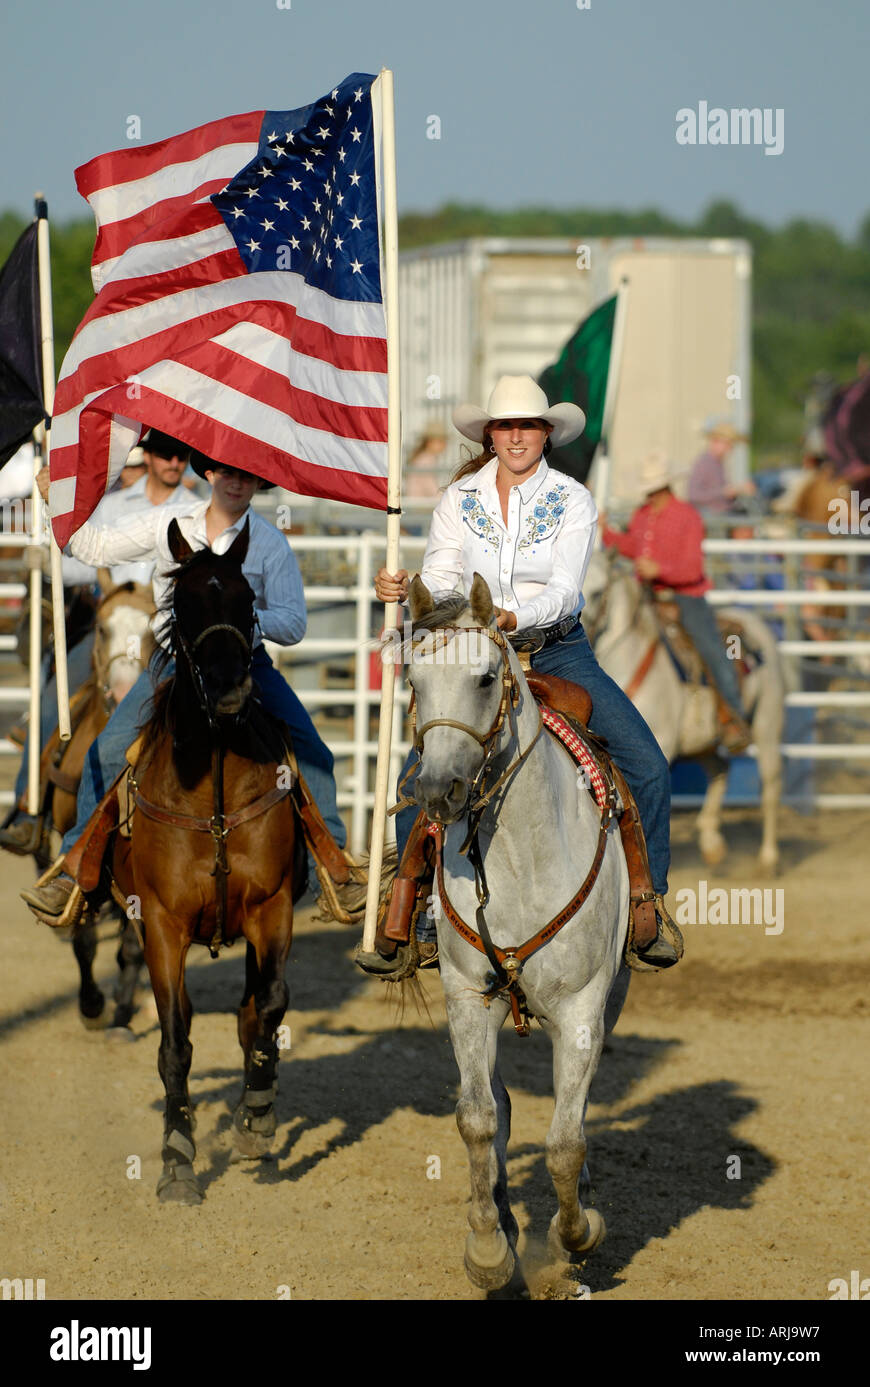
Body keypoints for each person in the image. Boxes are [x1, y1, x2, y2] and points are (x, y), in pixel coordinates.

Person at [372, 375, 680, 970]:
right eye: (506, 426)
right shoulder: (460, 501)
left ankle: (648, 900)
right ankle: (413, 906)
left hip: (557, 649)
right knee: (422, 779)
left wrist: (515, 615)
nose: (517, 437)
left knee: (647, 766)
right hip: (475, 650)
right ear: (490, 434)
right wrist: (407, 586)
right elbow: (442, 573)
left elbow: (566, 590)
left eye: (528, 427)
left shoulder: (572, 498)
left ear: (546, 434)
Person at [22, 447, 348, 920]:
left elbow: (294, 623)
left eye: (247, 475)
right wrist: (59, 503)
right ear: (211, 472)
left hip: (246, 665)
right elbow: (94, 548)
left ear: (257, 483)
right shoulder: (168, 522)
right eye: (229, 471)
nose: (237, 482)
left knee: (312, 749)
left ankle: (332, 867)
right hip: (175, 666)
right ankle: (78, 867)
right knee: (108, 749)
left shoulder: (270, 543)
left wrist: (241, 622)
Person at [0, 432, 193, 854]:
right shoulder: (115, 505)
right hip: (108, 626)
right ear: (151, 456)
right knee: (54, 700)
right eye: (165, 453)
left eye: (181, 455)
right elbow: (76, 560)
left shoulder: (196, 511)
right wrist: (48, 559)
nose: (174, 462)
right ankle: (28, 805)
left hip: (162, 630)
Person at [601, 449, 752, 752]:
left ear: (666, 486)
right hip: (648, 596)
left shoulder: (688, 516)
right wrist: (606, 532)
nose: (651, 495)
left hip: (686, 597)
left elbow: (693, 567)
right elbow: (631, 545)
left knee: (710, 647)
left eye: (654, 489)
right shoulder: (642, 515)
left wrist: (659, 569)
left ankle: (732, 717)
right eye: (649, 489)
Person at [687, 419, 755, 515]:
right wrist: (724, 492)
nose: (730, 449)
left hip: (721, 514)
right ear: (715, 441)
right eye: (728, 444)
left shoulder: (718, 463)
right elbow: (693, 495)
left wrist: (736, 492)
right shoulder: (704, 462)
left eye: (731, 445)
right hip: (711, 517)